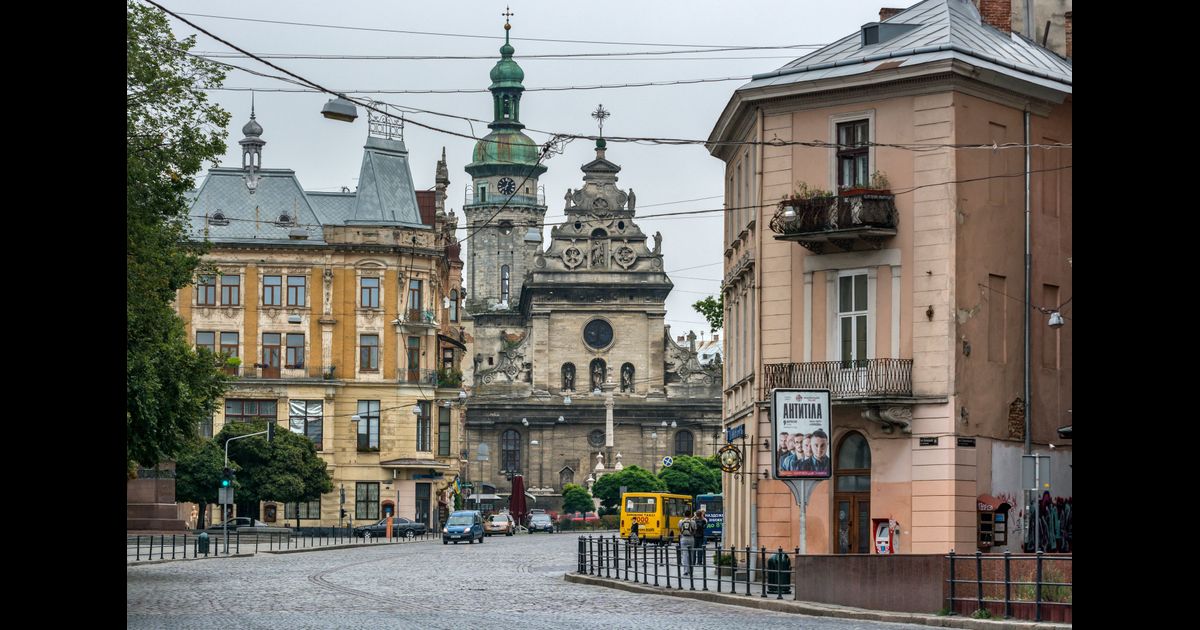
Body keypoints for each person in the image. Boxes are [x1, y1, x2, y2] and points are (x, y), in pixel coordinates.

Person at [678, 509, 696, 575]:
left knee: (685, 555)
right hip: (691, 538)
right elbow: (694, 530)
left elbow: (680, 529)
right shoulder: (693, 521)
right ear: (690, 515)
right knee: (691, 554)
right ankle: (691, 570)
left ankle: (685, 570)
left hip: (683, 538)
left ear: (684, 515)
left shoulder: (681, 521)